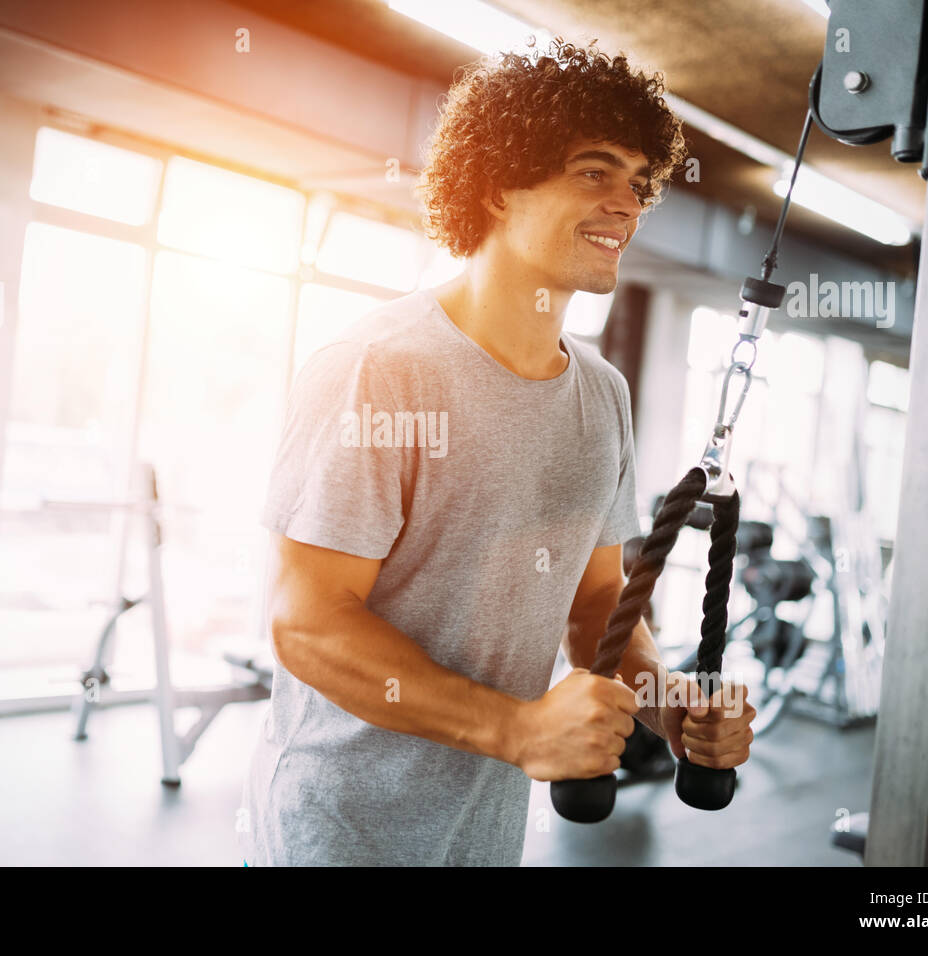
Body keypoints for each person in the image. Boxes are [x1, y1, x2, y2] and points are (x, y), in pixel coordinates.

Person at [238, 38, 756, 866]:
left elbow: (597, 611)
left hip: (484, 836)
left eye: (638, 182)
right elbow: (309, 625)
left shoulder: (601, 393)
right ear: (499, 182)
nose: (626, 203)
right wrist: (516, 727)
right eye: (594, 172)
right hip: (337, 837)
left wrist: (671, 705)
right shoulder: (380, 370)